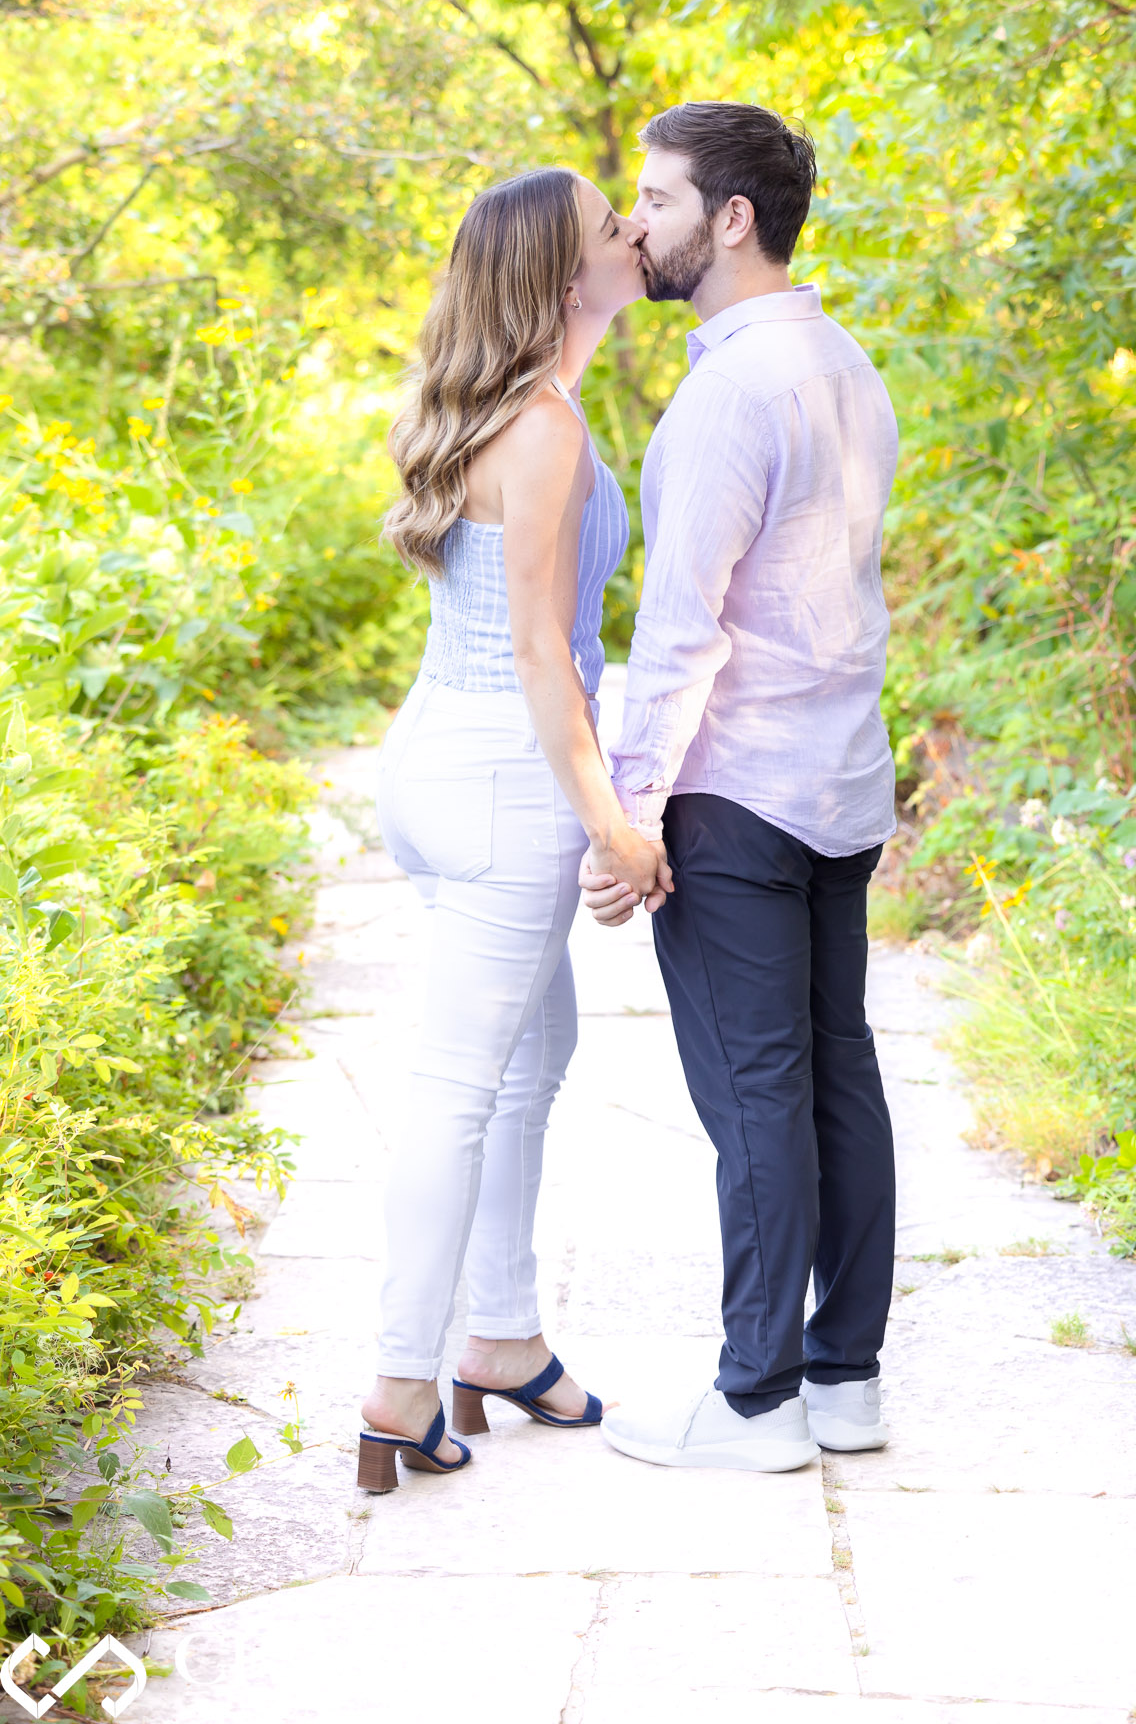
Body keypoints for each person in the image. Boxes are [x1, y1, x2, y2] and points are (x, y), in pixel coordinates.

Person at [581, 102, 899, 1473]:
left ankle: (754, 1399)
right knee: (837, 1080)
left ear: (730, 220)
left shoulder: (723, 395)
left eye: (654, 199)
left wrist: (630, 814)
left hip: (738, 793)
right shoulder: (844, 364)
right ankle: (842, 1381)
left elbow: (681, 631)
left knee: (756, 1093)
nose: (633, 222)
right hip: (835, 779)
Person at [357, 167, 671, 1493]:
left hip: (446, 758)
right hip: (502, 780)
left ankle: (498, 1339)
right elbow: (545, 654)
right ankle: (394, 1381)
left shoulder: (522, 409)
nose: (636, 233)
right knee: (458, 1084)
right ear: (562, 278)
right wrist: (613, 823)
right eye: (615, 226)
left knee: (527, 1059)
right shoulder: (538, 429)